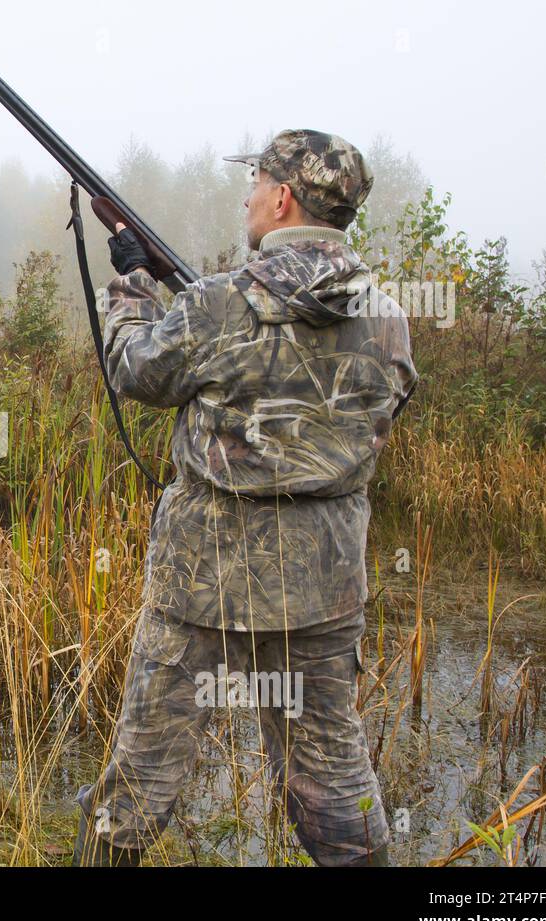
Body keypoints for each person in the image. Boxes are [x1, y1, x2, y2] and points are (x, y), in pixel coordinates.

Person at [74, 130, 418, 867]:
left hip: (204, 583)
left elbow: (137, 372)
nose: (247, 194)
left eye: (256, 180)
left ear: (283, 197)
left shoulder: (216, 305)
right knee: (331, 774)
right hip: (325, 587)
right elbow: (380, 416)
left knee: (143, 772)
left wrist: (133, 286)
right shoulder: (388, 315)